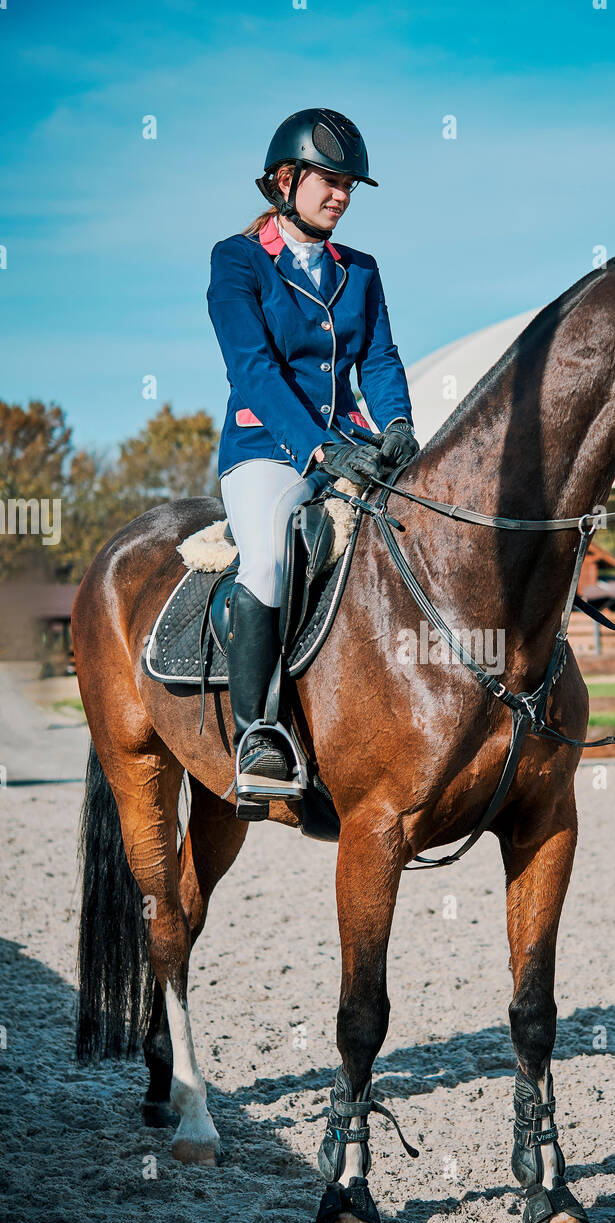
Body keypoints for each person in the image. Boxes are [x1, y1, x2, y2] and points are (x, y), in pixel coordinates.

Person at [207, 107, 419, 809]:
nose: (341, 196)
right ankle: (257, 735)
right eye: (329, 181)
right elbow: (253, 367)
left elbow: (380, 360)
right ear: (285, 180)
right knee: (267, 557)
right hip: (267, 449)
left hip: (349, 447)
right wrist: (319, 447)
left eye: (349, 186)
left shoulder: (360, 271)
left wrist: (395, 426)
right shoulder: (236, 260)